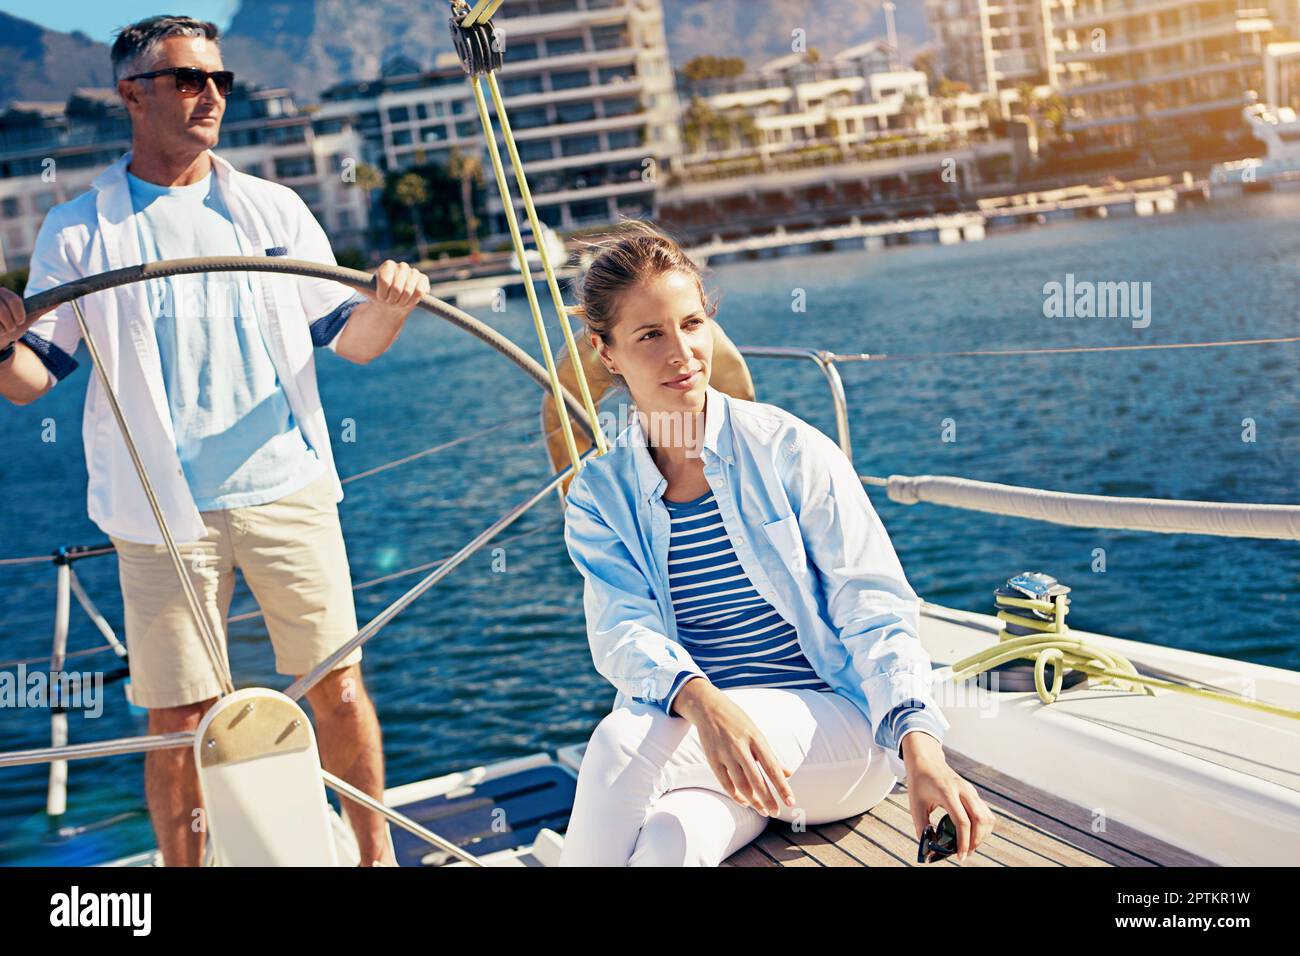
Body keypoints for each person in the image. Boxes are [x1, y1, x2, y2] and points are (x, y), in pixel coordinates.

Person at [0, 15, 433, 866]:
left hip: (290, 488)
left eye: (219, 80)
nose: (210, 95)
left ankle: (377, 859)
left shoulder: (271, 207)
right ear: (133, 94)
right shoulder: (78, 231)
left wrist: (390, 305)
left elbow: (351, 339)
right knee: (178, 723)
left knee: (338, 692)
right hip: (160, 517)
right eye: (189, 79)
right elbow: (30, 382)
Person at [558, 221, 995, 866]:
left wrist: (920, 745)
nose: (681, 352)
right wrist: (705, 703)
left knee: (623, 743)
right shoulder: (601, 493)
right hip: (713, 745)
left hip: (836, 737)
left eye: (691, 324)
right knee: (666, 845)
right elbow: (623, 631)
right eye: (650, 334)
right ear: (608, 353)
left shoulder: (788, 449)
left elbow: (870, 604)